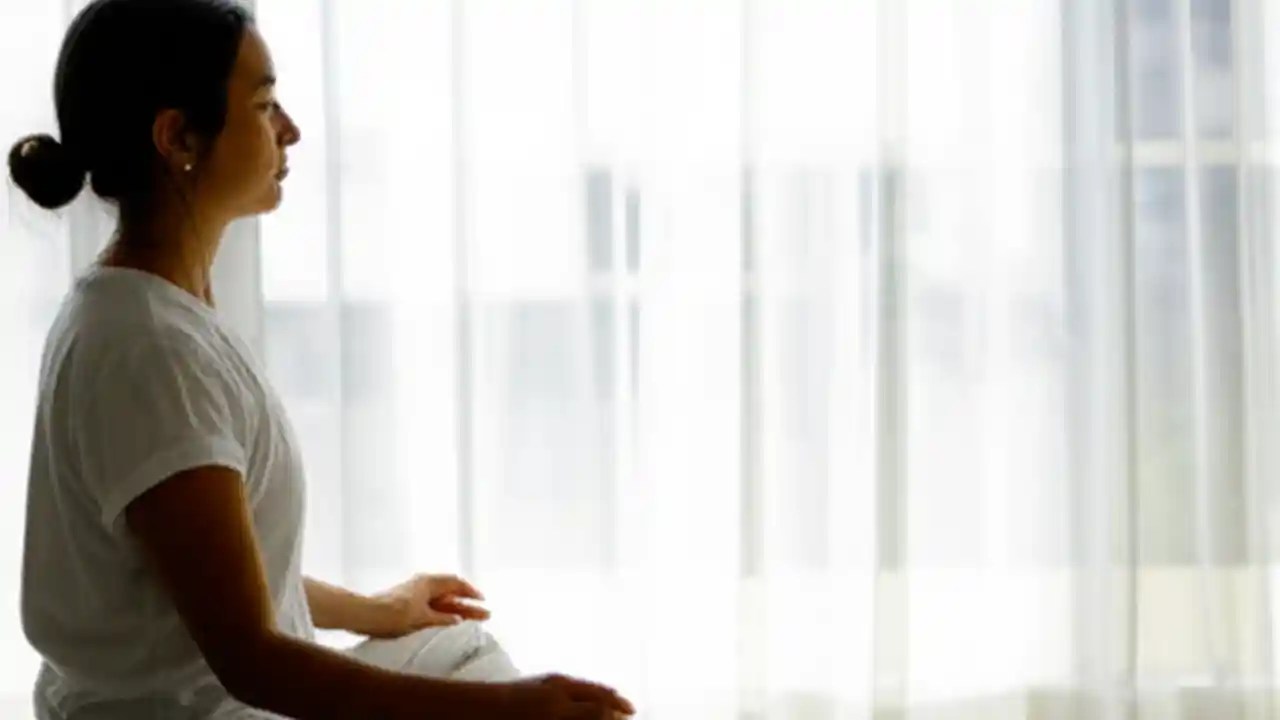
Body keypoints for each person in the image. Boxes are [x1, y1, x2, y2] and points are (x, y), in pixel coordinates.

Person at [7, 1, 635, 718]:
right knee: (496, 687)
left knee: (463, 649)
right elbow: (252, 662)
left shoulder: (146, 314)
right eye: (265, 104)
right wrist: (513, 711)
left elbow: (211, 580)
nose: (290, 130)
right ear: (177, 135)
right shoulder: (151, 349)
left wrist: (379, 612)